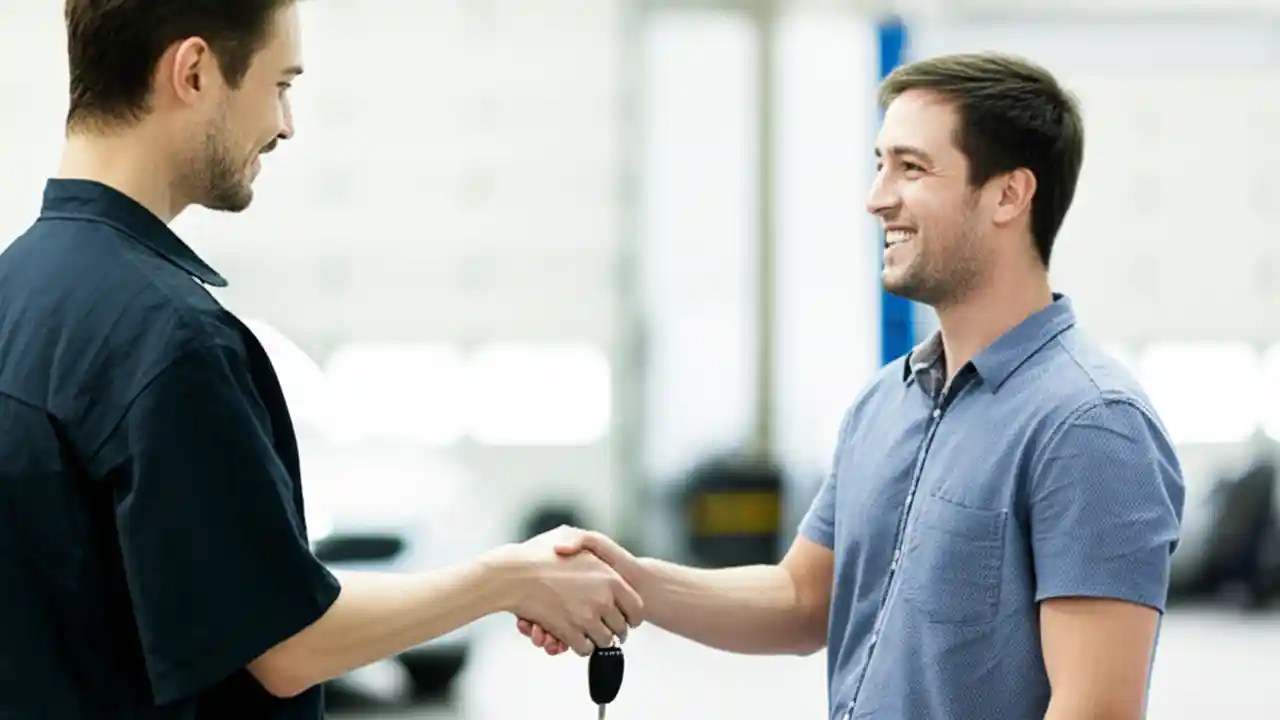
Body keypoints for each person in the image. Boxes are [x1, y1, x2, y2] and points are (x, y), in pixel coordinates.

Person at [0, 2, 640, 717]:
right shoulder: (168, 340)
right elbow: (287, 644)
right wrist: (507, 580)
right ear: (195, 72)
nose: (286, 125)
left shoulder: (14, 294)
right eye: (280, 85)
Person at [519, 51, 1186, 720]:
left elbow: (1096, 709)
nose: (877, 198)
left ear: (1009, 195)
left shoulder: (1092, 426)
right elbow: (802, 599)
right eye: (880, 164)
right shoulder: (883, 405)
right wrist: (629, 580)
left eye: (912, 168)